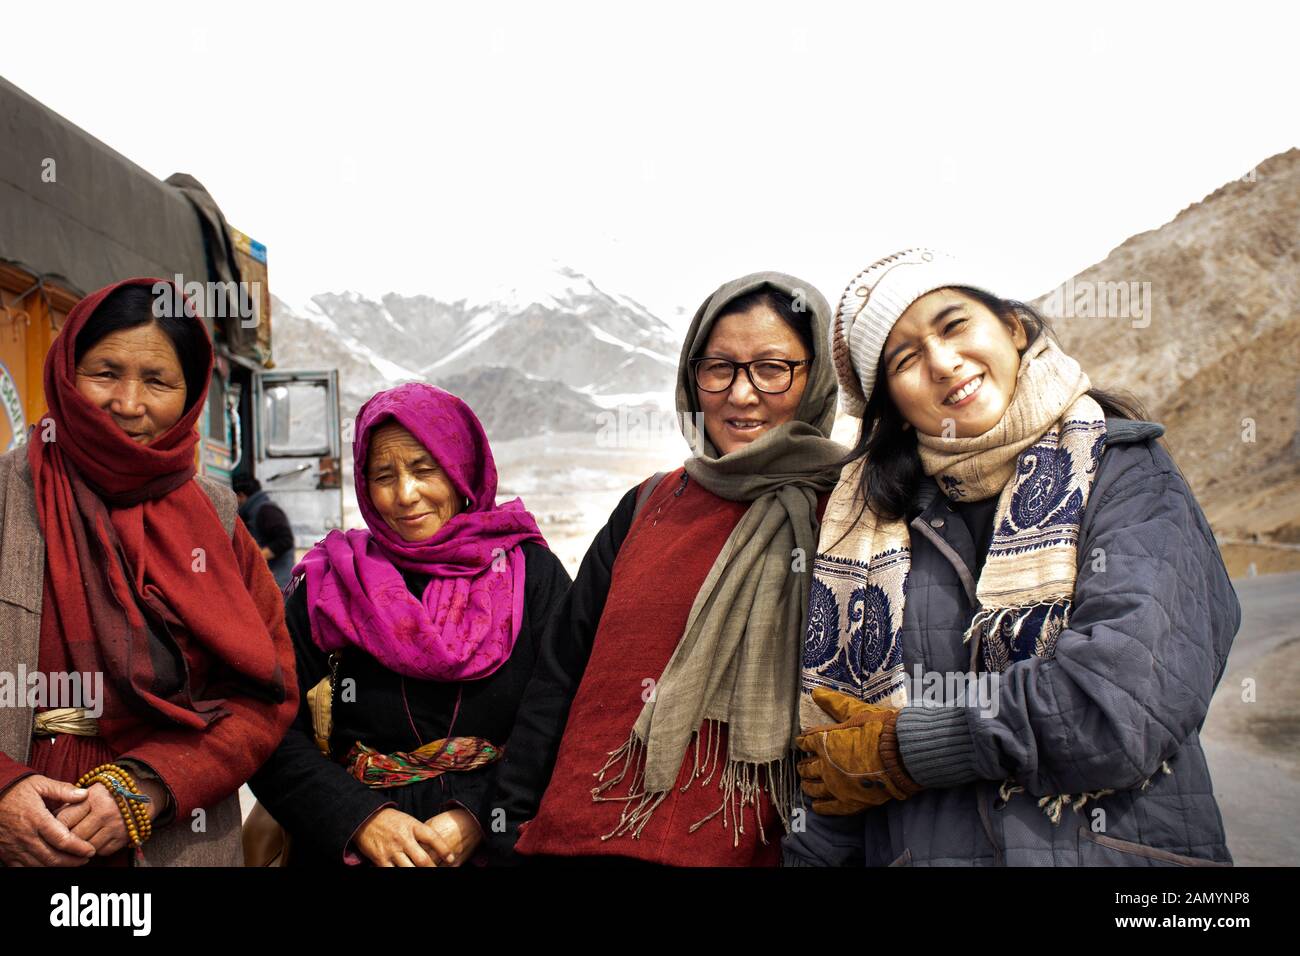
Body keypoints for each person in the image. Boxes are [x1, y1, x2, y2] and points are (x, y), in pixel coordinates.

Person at [783, 248, 1241, 867]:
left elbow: (1123, 703)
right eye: (906, 360)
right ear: (889, 402)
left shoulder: (1125, 472)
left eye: (954, 326)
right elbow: (833, 764)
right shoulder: (865, 530)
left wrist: (906, 750)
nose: (944, 364)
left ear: (1015, 328)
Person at [483, 272, 845, 866]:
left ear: (814, 378)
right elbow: (560, 673)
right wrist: (511, 822)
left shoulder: (849, 516)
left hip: (747, 851)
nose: (742, 393)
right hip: (579, 840)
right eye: (718, 367)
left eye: (773, 368)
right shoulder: (648, 505)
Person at [0, 277, 298, 867]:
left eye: (157, 380)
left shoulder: (216, 519)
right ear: (67, 371)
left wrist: (151, 786)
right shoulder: (7, 498)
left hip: (172, 837)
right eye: (106, 372)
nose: (128, 403)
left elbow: (267, 694)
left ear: (190, 395)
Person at [247, 382, 571, 866]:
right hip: (353, 847)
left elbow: (562, 714)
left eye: (425, 469)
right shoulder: (331, 582)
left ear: (462, 468)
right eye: (383, 475)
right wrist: (361, 818)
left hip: (498, 838)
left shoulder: (530, 574)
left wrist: (478, 816)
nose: (405, 494)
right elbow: (266, 723)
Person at [233, 475, 296, 590]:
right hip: (272, 583)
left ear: (241, 495)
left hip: (278, 584)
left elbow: (285, 540)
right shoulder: (255, 510)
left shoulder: (266, 510)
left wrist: (256, 558)